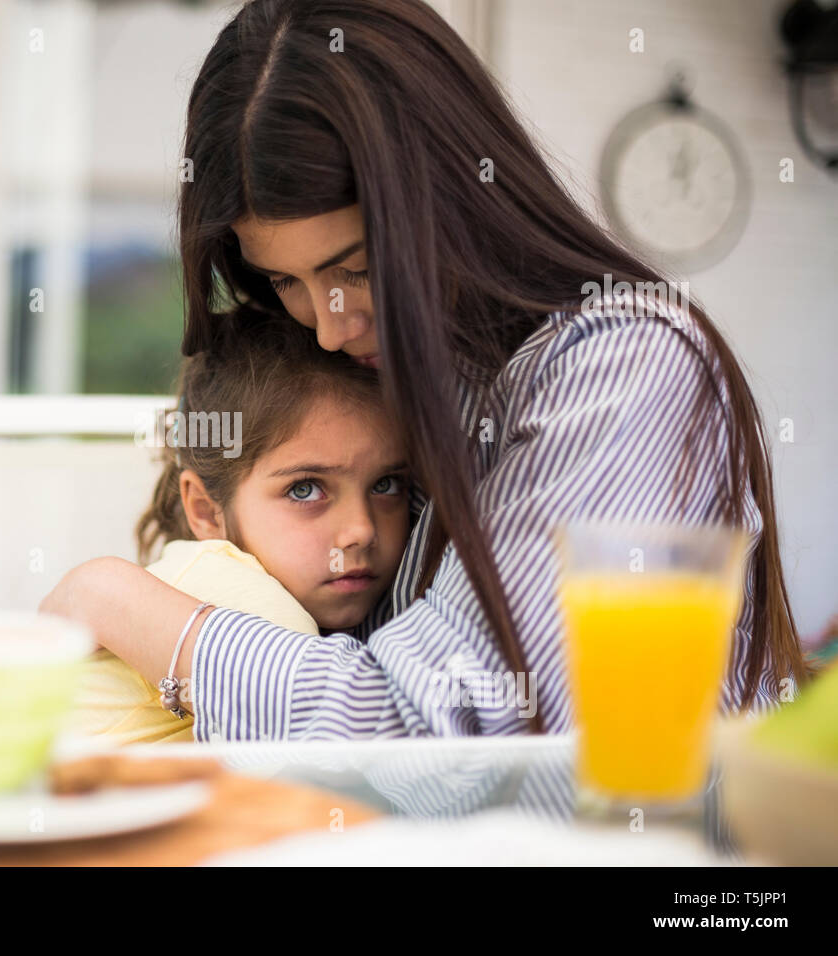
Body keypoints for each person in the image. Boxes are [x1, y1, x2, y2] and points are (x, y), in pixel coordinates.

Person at [41, 0, 813, 740]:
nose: (331, 325)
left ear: (450, 198)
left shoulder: (626, 370)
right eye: (286, 282)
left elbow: (442, 733)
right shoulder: (391, 367)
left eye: (360, 267)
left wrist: (112, 598)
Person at [70, 306, 411, 744]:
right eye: (305, 490)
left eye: (386, 485)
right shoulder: (253, 603)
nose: (361, 530)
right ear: (208, 510)